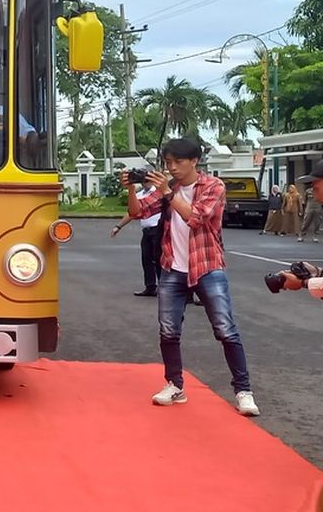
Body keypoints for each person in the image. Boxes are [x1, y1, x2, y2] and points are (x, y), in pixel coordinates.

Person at [123, 138, 259, 416]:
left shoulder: (213, 186)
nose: (172, 168)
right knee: (168, 331)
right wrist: (131, 188)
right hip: (173, 266)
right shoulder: (168, 188)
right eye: (168, 162)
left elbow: (196, 218)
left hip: (207, 265)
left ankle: (243, 391)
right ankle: (175, 384)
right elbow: (136, 212)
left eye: (177, 162)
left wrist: (168, 194)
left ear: (194, 161)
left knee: (225, 330)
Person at [111, 178, 162, 296]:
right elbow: (132, 213)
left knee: (159, 259)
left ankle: (163, 286)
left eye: (148, 180)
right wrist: (118, 226)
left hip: (158, 229)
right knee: (146, 259)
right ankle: (150, 287)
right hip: (146, 231)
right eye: (144, 180)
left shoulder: (159, 193)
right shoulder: (139, 195)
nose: (146, 182)